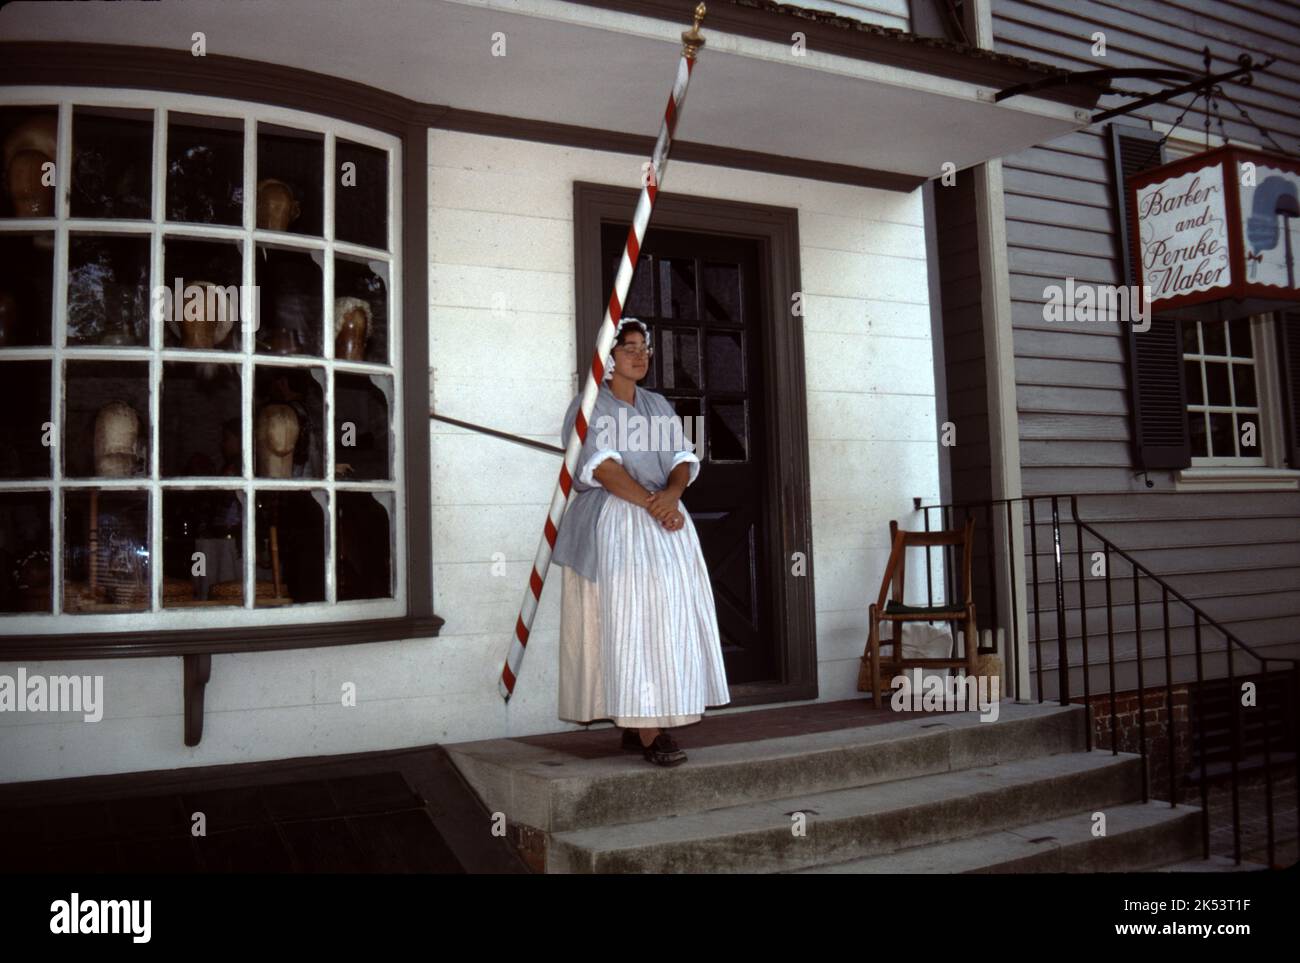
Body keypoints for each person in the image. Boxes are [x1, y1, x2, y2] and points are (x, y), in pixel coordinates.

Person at [551, 317, 730, 766]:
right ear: (607, 358)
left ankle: (642, 723)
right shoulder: (590, 406)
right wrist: (655, 505)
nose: (639, 354)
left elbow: (683, 458)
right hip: (616, 523)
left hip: (664, 522)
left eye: (644, 347)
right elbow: (605, 470)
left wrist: (671, 496)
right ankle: (647, 728)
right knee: (631, 623)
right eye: (627, 347)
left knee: (666, 621)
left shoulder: (657, 406)